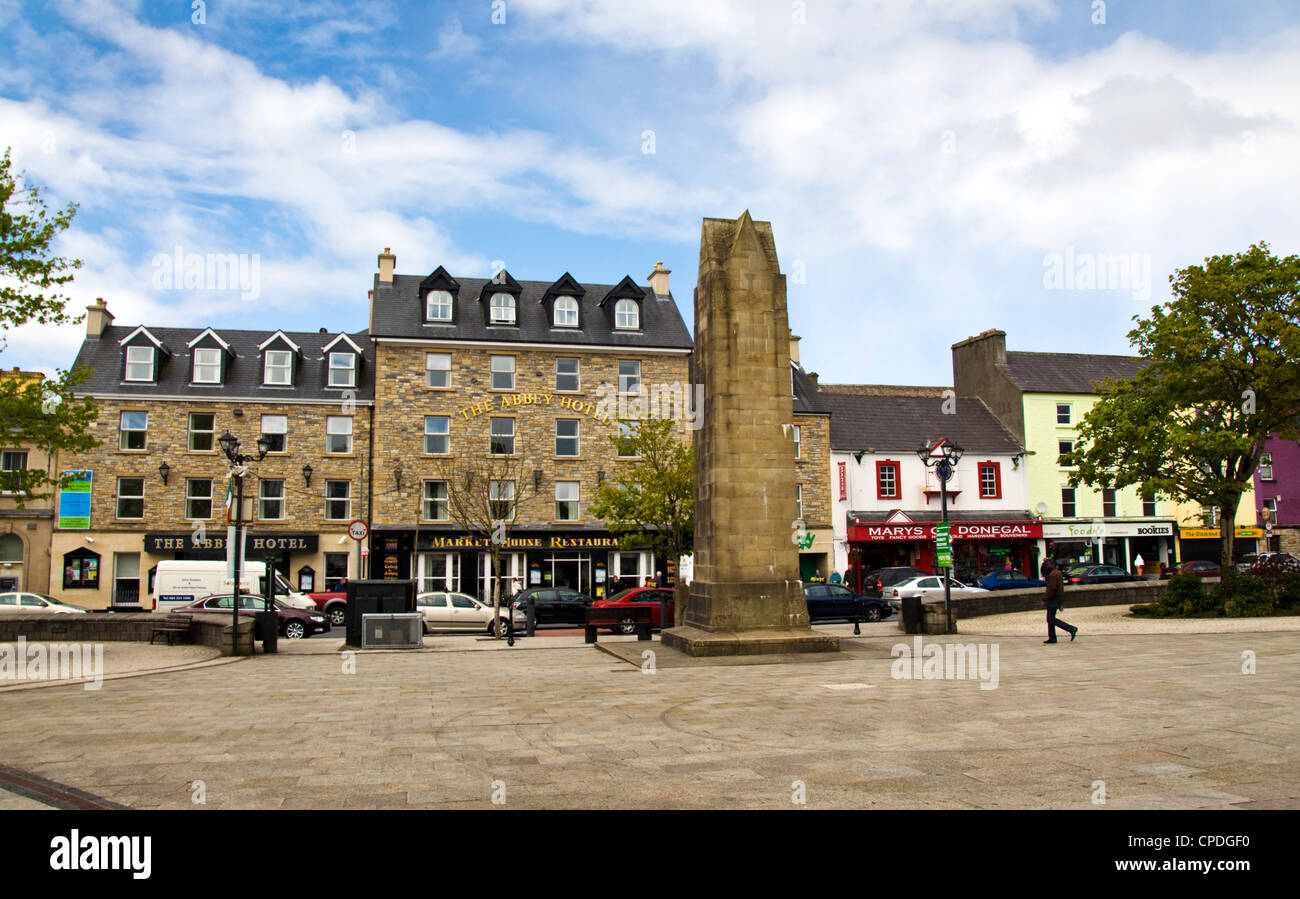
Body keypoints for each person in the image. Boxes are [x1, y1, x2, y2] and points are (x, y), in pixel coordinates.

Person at [1043, 560, 1077, 644]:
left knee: (1050, 619)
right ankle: (1052, 637)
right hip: (1057, 598)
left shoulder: (1053, 574)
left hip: (1053, 599)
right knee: (1051, 619)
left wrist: (1045, 599)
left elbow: (1052, 588)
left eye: (1048, 564)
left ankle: (1070, 628)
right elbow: (1060, 589)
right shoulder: (1058, 573)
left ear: (1052, 565)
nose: (1047, 566)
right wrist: (1061, 602)